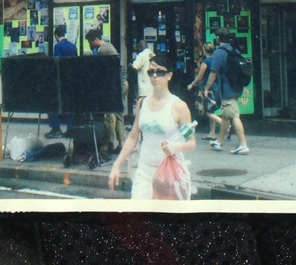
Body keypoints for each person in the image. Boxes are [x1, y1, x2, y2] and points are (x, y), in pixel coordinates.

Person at [108, 52, 196, 199]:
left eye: (160, 72)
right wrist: (116, 165)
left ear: (169, 75)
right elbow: (133, 138)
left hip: (170, 173)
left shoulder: (179, 106)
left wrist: (174, 147)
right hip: (145, 171)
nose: (155, 76)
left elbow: (191, 142)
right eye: (151, 72)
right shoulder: (142, 103)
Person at [203, 29, 249, 154]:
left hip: (227, 89)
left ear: (218, 39)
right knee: (226, 115)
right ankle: (219, 141)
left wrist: (206, 88)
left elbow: (213, 73)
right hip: (237, 87)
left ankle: (243, 144)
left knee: (234, 116)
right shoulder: (234, 50)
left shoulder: (219, 53)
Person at [86, 29, 126, 154]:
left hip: (113, 85)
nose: (89, 45)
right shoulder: (110, 46)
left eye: (89, 41)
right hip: (122, 83)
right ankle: (121, 143)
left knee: (109, 115)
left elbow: (96, 69)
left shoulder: (103, 50)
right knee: (118, 114)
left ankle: (107, 144)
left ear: (95, 39)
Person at [46, 24, 78, 138]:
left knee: (53, 102)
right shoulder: (73, 46)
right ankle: (70, 128)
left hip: (61, 79)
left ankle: (56, 128)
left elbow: (57, 62)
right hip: (71, 78)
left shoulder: (58, 46)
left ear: (56, 35)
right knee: (70, 104)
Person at [188, 43, 220, 139]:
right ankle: (212, 133)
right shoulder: (216, 60)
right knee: (212, 110)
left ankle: (224, 125)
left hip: (209, 88)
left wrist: (192, 84)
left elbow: (200, 76)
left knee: (208, 112)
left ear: (204, 50)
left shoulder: (205, 62)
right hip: (217, 86)